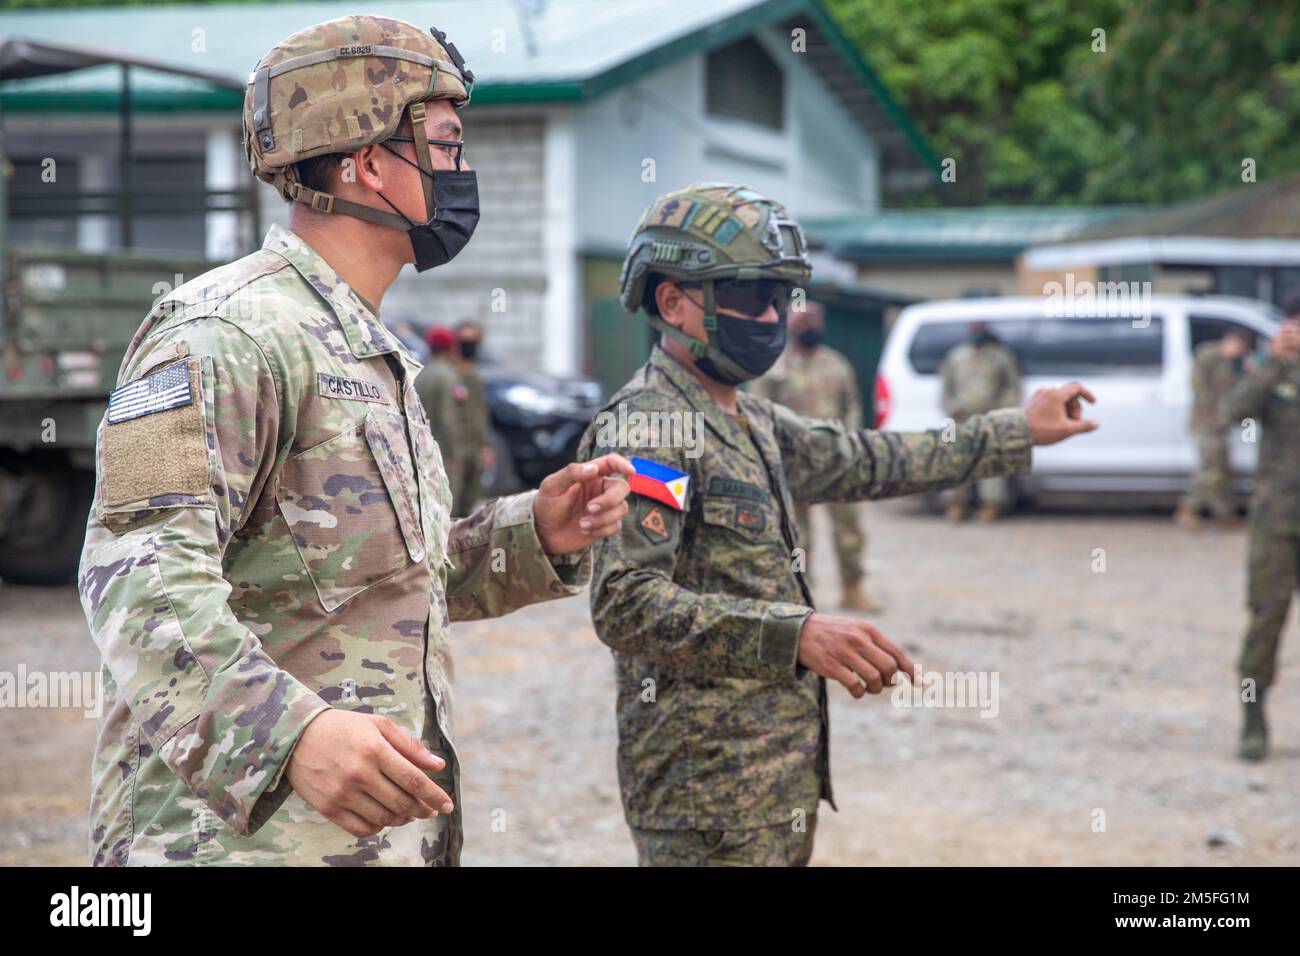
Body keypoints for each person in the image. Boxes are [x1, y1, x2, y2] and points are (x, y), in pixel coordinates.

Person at [77, 15, 633, 867]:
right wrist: (290, 736)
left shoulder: (366, 350)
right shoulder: (224, 332)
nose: (462, 170)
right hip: (226, 846)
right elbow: (136, 577)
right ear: (368, 162)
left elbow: (373, 584)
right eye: (445, 145)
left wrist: (532, 534)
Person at [577, 183, 1098, 866]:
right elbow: (627, 603)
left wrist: (1014, 431)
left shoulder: (751, 419)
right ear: (673, 301)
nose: (770, 315)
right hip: (704, 796)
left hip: (772, 780)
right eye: (748, 293)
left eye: (778, 297)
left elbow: (869, 458)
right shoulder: (650, 430)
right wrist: (796, 634)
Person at [753, 300, 877, 611]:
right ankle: (801, 595)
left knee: (848, 528)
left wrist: (847, 441)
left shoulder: (837, 364)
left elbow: (852, 406)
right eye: (803, 322)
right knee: (796, 536)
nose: (810, 328)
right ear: (791, 327)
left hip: (836, 462)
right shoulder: (775, 367)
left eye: (814, 322)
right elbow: (758, 410)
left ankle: (853, 588)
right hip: (793, 465)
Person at [1226, 308, 1300, 761]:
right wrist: (1273, 364)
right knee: (1264, 622)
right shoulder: (1272, 372)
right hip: (1278, 522)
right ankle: (1252, 721)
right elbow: (1236, 412)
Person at [939, 322, 1022, 522]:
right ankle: (956, 505)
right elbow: (945, 388)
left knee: (990, 462)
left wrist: (1001, 408)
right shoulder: (956, 356)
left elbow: (1013, 388)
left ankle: (991, 505)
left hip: (990, 417)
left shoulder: (1000, 357)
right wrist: (951, 407)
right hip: (960, 418)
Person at [1175, 330, 1251, 528]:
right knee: (1210, 470)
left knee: (1222, 470)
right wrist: (1212, 415)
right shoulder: (1210, 355)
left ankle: (1224, 514)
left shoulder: (1228, 364)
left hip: (1219, 425)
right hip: (1206, 423)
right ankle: (1188, 509)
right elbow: (1200, 387)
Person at [448, 319, 492, 515]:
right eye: (465, 340)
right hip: (454, 449)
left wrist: (485, 446)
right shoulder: (449, 374)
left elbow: (481, 414)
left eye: (473, 341)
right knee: (451, 500)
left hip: (474, 448)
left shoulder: (475, 375)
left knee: (471, 497)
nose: (469, 346)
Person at [415, 326, 462, 483]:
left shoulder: (420, 373)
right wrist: (455, 450)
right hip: (442, 450)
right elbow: (447, 416)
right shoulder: (448, 376)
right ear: (450, 348)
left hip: (421, 446)